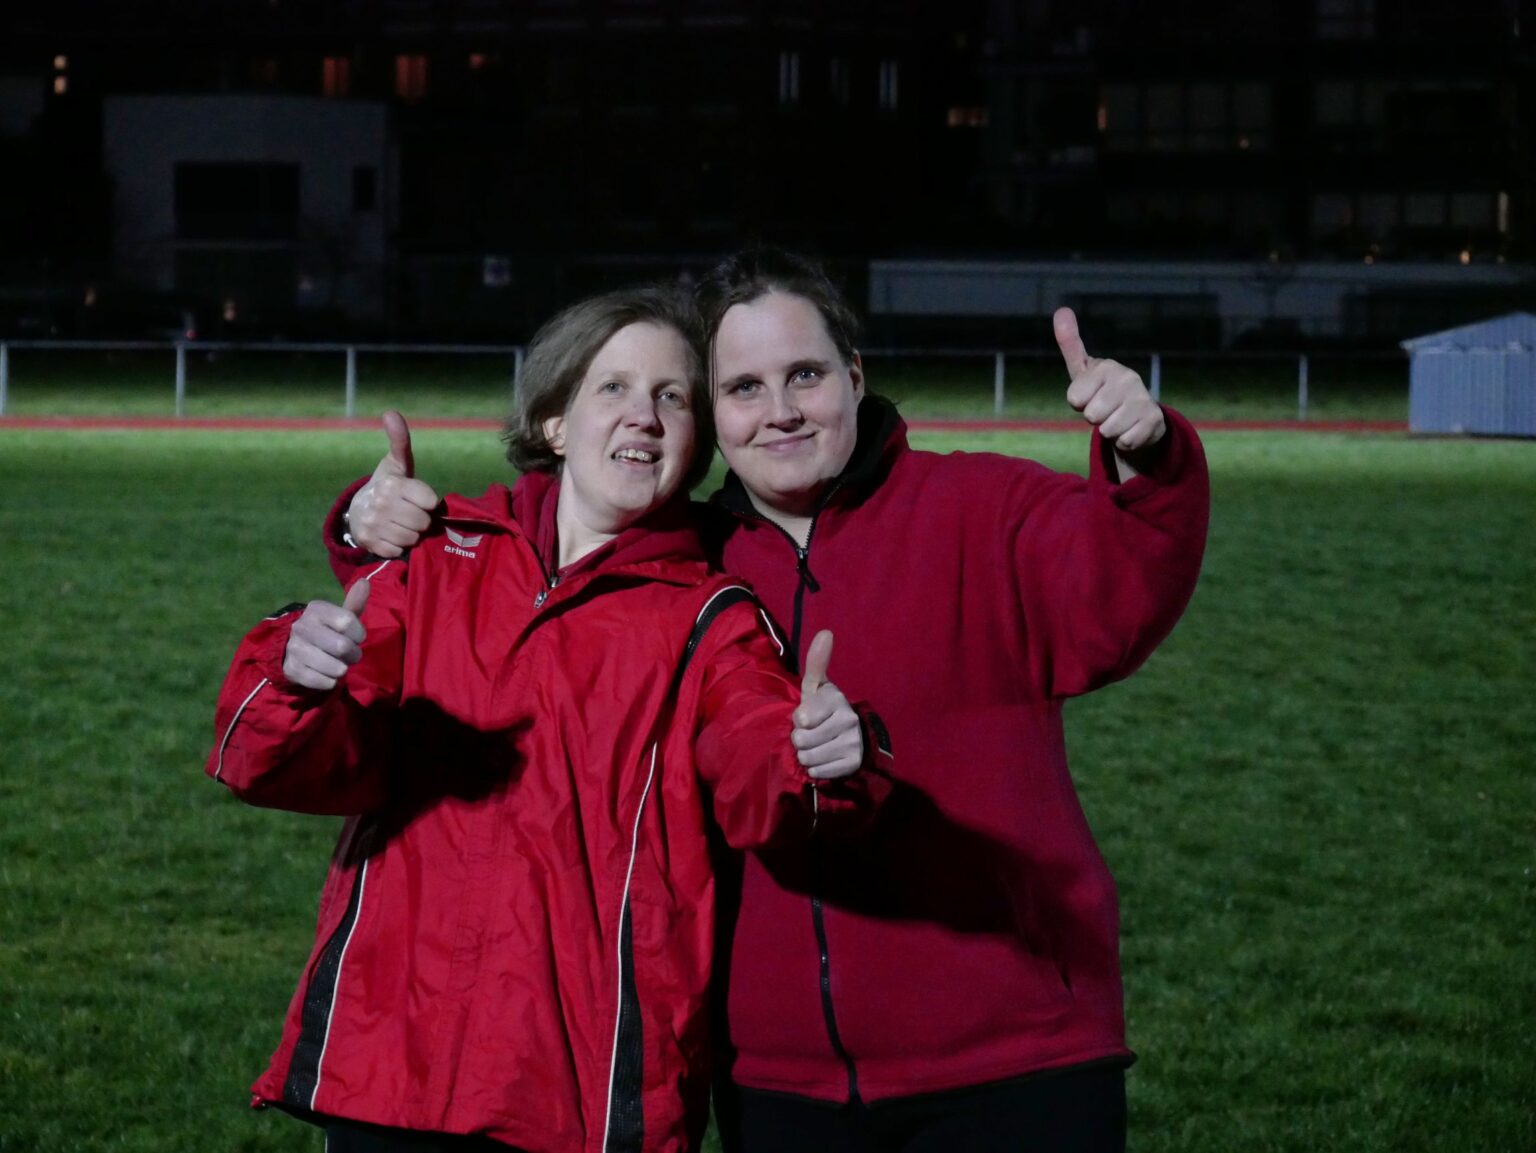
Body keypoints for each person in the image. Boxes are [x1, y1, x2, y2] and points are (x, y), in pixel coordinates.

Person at [329, 250, 1210, 1152]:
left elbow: (1121, 592)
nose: (781, 409)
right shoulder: (682, 564)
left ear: (855, 378)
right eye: (744, 386)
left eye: (806, 375)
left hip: (1016, 1061)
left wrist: (1147, 450)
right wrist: (374, 523)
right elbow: (522, 572)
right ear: (716, 417)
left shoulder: (985, 504)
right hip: (779, 1084)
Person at [205, 283, 891, 1153]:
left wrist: (816, 754)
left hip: (578, 1095)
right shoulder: (439, 560)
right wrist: (294, 675)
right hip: (390, 1072)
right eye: (614, 388)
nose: (643, 415)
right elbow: (278, 761)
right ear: (556, 423)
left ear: (692, 445)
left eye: (672, 397)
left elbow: (760, 763)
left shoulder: (711, 616)